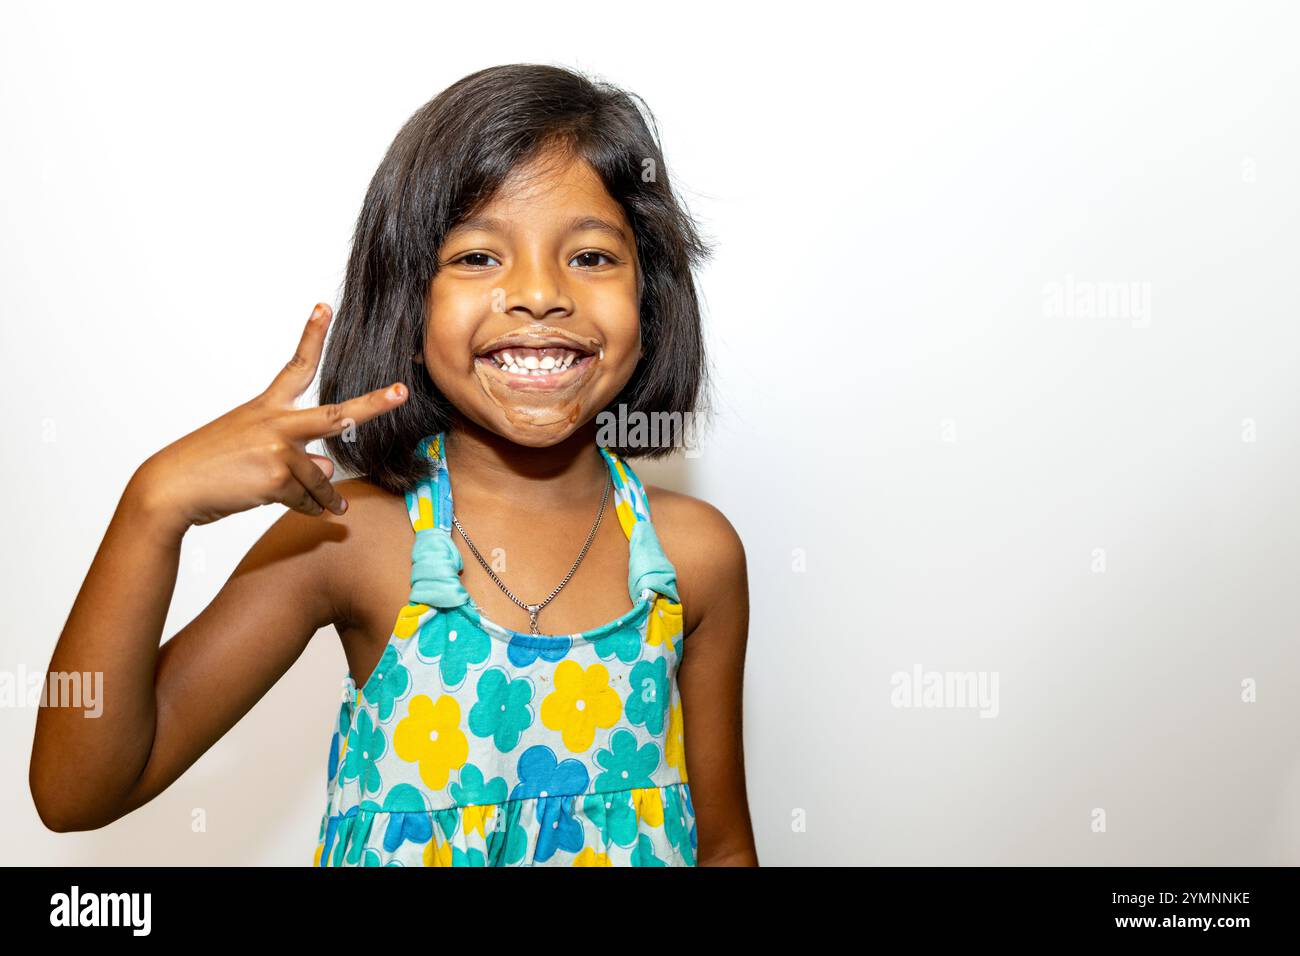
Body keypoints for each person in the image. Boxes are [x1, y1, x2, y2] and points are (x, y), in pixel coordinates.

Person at [30, 63, 757, 867]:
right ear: (409, 304)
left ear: (649, 301)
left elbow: (722, 845)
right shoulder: (350, 539)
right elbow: (76, 793)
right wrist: (152, 505)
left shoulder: (695, 557)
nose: (541, 294)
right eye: (479, 258)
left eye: (590, 258)